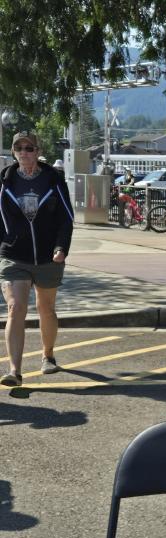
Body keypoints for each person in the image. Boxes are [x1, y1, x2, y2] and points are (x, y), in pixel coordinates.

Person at [0, 131, 74, 386]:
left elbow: (66, 218)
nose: (24, 152)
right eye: (19, 148)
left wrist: (61, 247)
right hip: (13, 255)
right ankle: (14, 371)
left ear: (38, 151)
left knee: (46, 308)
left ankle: (48, 355)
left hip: (47, 256)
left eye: (29, 148)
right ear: (13, 152)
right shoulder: (5, 181)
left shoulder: (53, 180)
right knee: (15, 308)